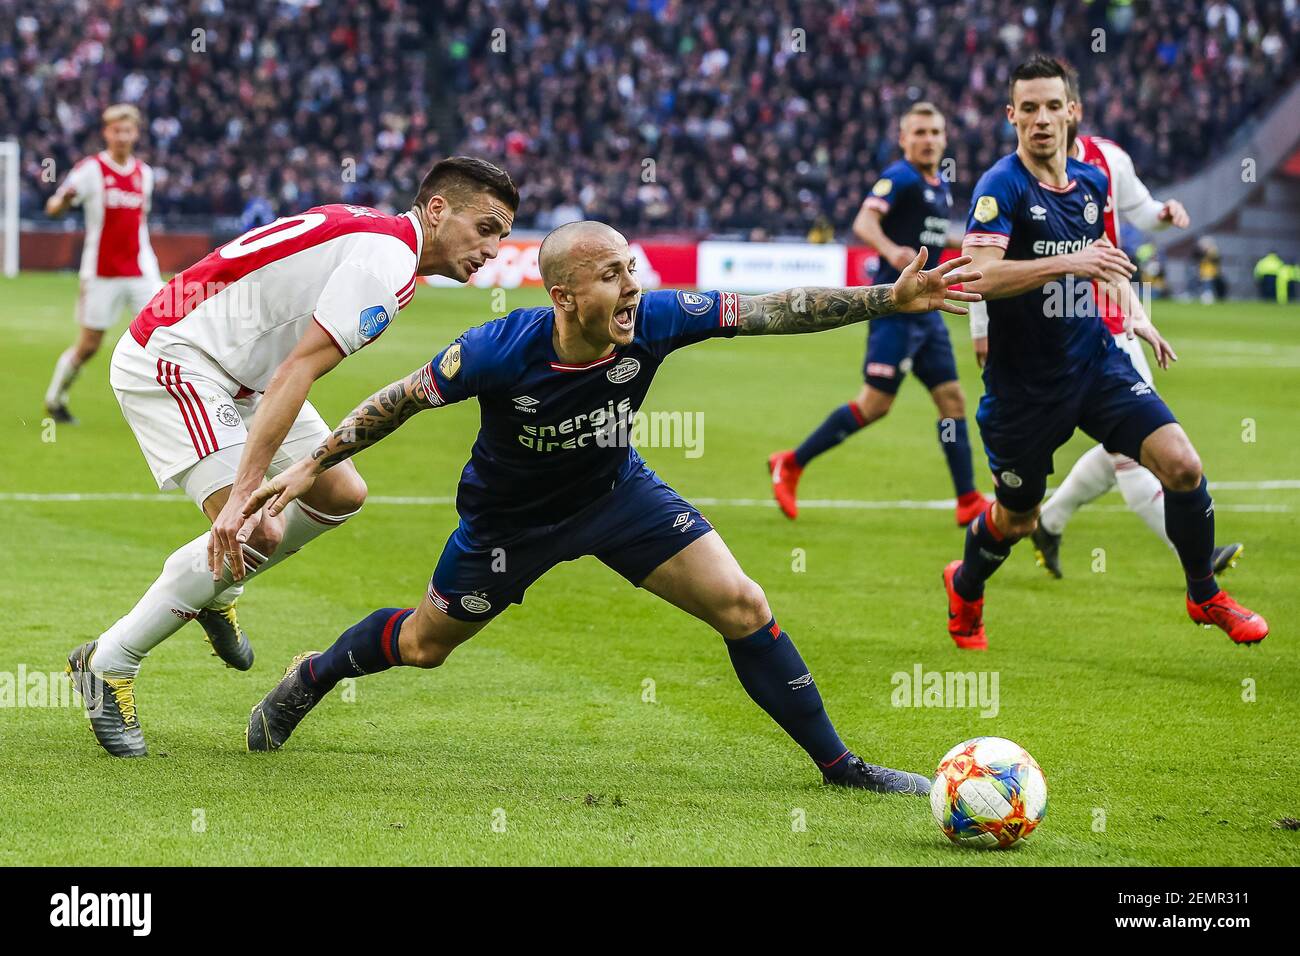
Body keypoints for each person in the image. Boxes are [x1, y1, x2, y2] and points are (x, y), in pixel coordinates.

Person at [240, 220, 981, 793]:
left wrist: (887, 297)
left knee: (744, 605)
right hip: (509, 525)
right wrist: (310, 464)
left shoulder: (656, 318)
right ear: (562, 296)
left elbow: (772, 309)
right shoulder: (497, 349)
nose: (631, 285)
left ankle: (839, 764)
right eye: (610, 275)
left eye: (632, 268)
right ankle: (315, 674)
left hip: (616, 494)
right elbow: (397, 400)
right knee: (426, 646)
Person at [66, 158, 519, 758]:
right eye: (485, 228)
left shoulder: (383, 240)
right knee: (254, 531)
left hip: (243, 373)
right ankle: (109, 662)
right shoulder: (387, 263)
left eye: (502, 236)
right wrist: (242, 501)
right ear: (437, 209)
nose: (492, 249)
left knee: (339, 493)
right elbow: (299, 369)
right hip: (179, 357)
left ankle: (215, 589)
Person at [943, 54, 1267, 650]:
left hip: (1095, 361)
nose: (1041, 119)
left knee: (1183, 466)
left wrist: (1136, 315)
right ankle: (965, 585)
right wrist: (1070, 263)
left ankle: (1203, 594)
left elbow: (1106, 264)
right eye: (1028, 109)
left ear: (1073, 111)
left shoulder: (1093, 184)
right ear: (1011, 115)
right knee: (1017, 519)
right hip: (1025, 390)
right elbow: (978, 276)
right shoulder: (1000, 187)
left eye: (1051, 106)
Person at [769, 103, 987, 526]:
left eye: (934, 132)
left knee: (952, 401)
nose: (927, 139)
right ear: (904, 139)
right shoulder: (900, 177)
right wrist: (891, 251)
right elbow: (864, 222)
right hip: (895, 310)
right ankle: (791, 463)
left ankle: (967, 499)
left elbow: (934, 235)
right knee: (874, 405)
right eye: (919, 132)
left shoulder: (939, 185)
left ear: (944, 139)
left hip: (927, 312)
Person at [42, 104, 163, 425]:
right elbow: (53, 206)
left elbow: (140, 222)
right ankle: (55, 398)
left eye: (127, 131)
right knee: (89, 345)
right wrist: (63, 202)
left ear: (135, 133)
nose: (122, 137)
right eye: (116, 131)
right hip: (101, 273)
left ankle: (163, 409)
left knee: (165, 334)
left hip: (141, 272)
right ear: (106, 133)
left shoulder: (145, 174)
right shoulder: (90, 170)